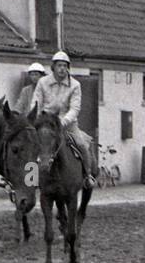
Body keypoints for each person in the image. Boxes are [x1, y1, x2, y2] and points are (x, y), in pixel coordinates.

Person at [31, 51, 96, 188]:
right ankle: (29, 180)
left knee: (82, 144)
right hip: (45, 124)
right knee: (28, 145)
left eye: (65, 66)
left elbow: (75, 108)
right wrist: (36, 119)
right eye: (59, 65)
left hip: (67, 124)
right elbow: (36, 103)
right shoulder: (43, 82)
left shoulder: (75, 85)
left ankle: (87, 175)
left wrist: (62, 122)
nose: (62, 68)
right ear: (53, 67)